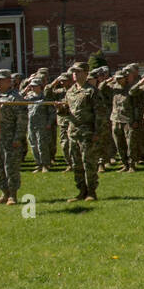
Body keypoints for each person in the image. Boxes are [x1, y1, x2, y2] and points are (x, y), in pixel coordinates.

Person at [56, 61, 100, 201]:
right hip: (73, 132)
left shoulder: (92, 91)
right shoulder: (70, 91)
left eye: (78, 71)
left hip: (87, 133)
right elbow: (67, 112)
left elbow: (100, 114)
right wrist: (60, 109)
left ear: (86, 73)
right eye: (73, 72)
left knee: (89, 163)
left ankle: (91, 192)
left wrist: (97, 133)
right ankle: (81, 191)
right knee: (76, 164)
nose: (74, 74)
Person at [0, 68, 27, 206]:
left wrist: (17, 138)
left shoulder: (15, 97)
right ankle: (4, 193)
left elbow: (21, 120)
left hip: (9, 137)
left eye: (1, 79)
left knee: (10, 167)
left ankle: (13, 195)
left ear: (9, 81)